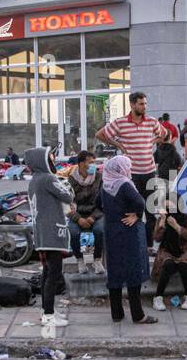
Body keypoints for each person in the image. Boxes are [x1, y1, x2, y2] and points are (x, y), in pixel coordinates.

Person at [96, 91, 166, 245]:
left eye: (145, 103)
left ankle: (148, 245)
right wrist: (119, 144)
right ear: (132, 104)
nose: (144, 107)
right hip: (130, 175)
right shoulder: (120, 123)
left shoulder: (151, 121)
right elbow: (100, 134)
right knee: (133, 210)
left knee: (150, 210)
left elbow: (164, 133)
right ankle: (135, 243)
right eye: (141, 104)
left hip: (149, 171)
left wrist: (152, 141)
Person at [99, 154, 157, 324]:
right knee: (133, 271)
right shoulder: (124, 184)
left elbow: (97, 203)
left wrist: (112, 214)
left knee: (115, 271)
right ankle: (138, 315)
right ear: (121, 168)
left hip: (111, 231)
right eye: (128, 166)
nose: (129, 170)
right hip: (129, 232)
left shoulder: (106, 183)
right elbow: (140, 202)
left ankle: (116, 314)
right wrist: (136, 216)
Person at [25, 146, 74, 328]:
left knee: (47, 273)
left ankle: (48, 311)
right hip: (52, 231)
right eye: (51, 159)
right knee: (53, 274)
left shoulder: (35, 180)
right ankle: (48, 315)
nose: (53, 162)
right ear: (42, 161)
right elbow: (68, 196)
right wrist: (66, 183)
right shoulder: (48, 178)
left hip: (42, 231)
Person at [151, 198, 187, 311]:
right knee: (168, 265)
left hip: (184, 250)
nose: (169, 210)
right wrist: (162, 222)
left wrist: (177, 227)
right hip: (166, 250)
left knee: (184, 265)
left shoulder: (186, 218)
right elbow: (156, 239)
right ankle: (158, 297)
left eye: (171, 207)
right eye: (166, 207)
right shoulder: (161, 219)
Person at [67, 151, 105, 274]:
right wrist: (78, 219)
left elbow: (103, 201)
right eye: (91, 162)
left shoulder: (99, 177)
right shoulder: (71, 180)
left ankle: (97, 259)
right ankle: (80, 260)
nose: (94, 165)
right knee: (73, 232)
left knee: (99, 230)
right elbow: (68, 204)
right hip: (78, 215)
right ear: (82, 164)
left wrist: (92, 218)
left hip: (96, 213)